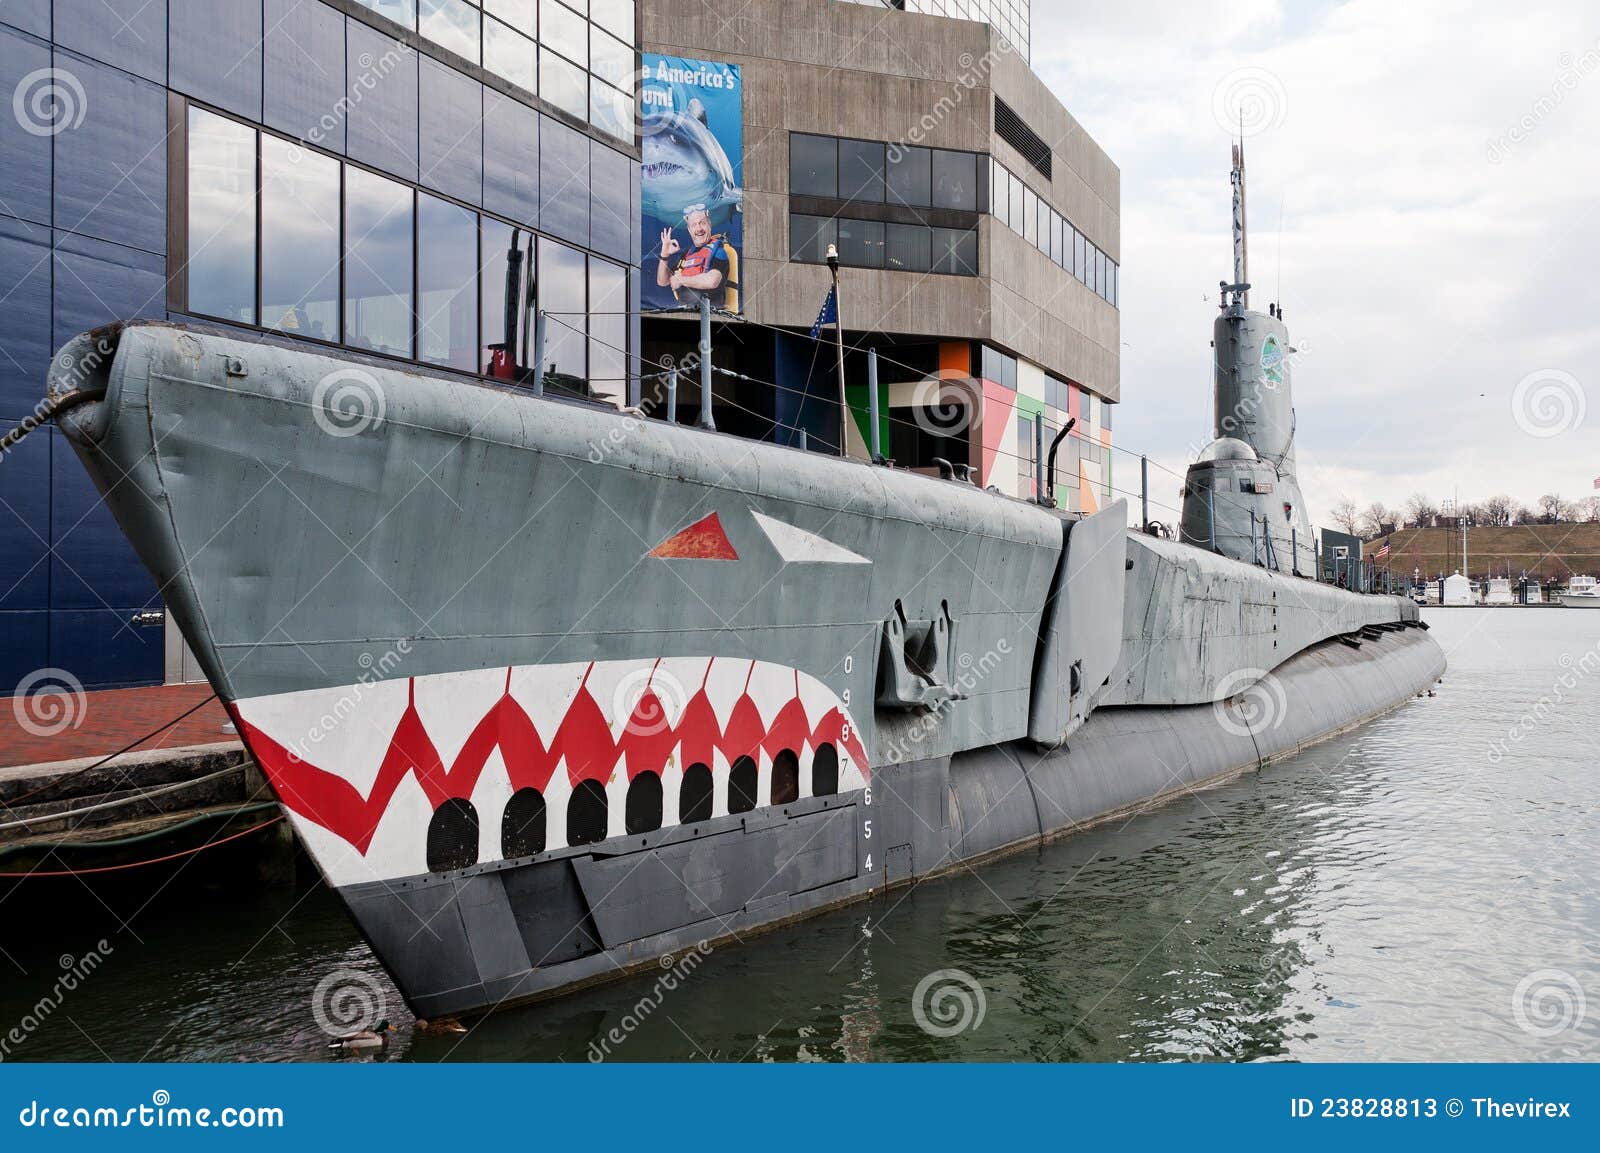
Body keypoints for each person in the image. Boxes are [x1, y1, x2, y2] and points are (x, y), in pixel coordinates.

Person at [656, 204, 739, 310]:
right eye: (694, 225)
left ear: (709, 225)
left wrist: (681, 280)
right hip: (685, 312)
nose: (699, 228)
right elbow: (662, 281)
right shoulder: (686, 255)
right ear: (689, 230)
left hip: (709, 315)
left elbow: (712, 281)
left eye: (702, 223)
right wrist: (664, 255)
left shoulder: (719, 251)